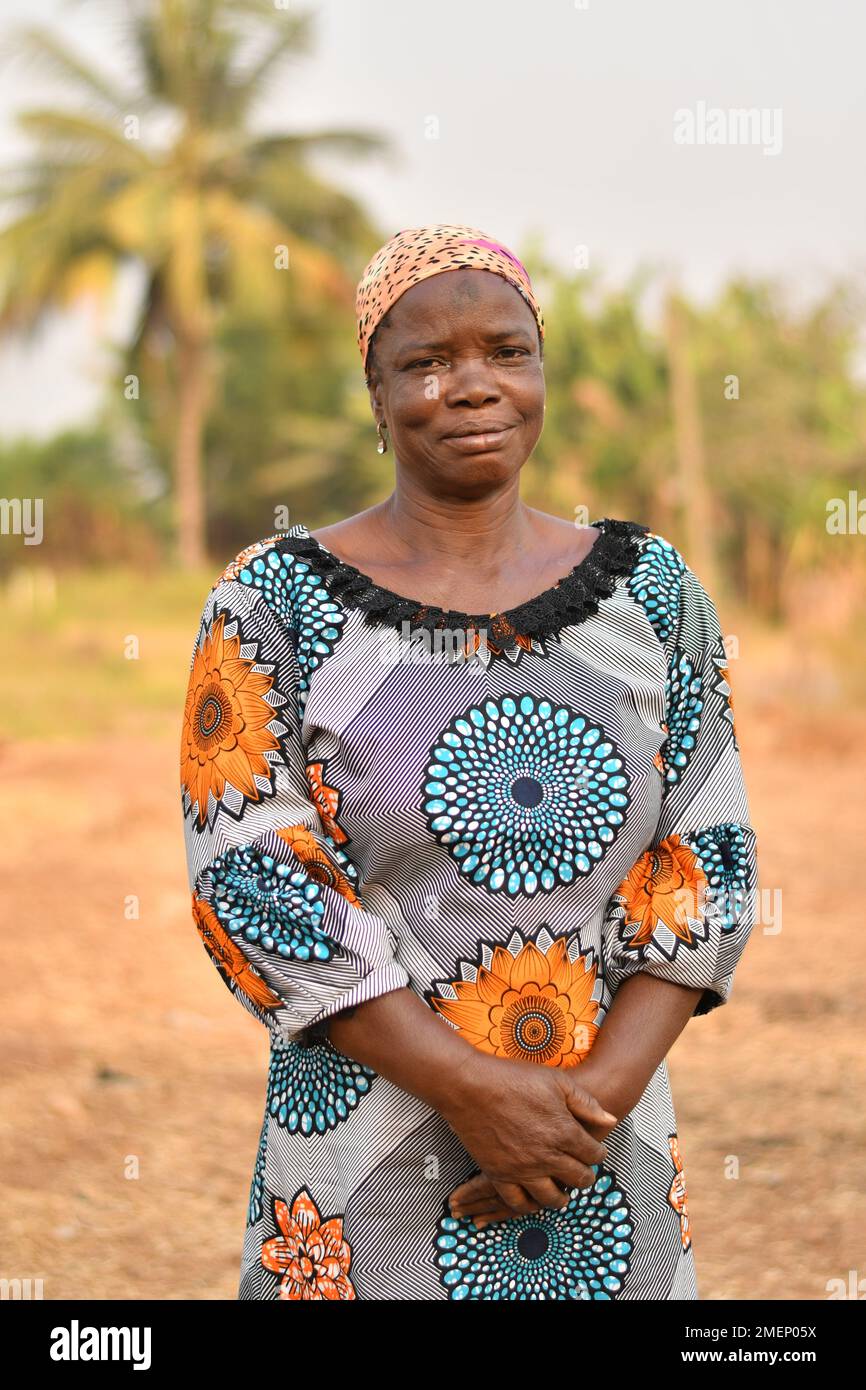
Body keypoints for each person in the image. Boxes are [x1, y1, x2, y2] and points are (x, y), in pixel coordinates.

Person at [179, 223, 759, 1300]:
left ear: (540, 369)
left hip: (599, 1154)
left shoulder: (649, 592)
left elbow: (701, 859)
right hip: (359, 1172)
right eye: (426, 362)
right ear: (375, 393)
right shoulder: (274, 604)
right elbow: (249, 878)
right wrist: (473, 1093)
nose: (472, 386)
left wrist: (576, 1118)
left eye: (505, 351)